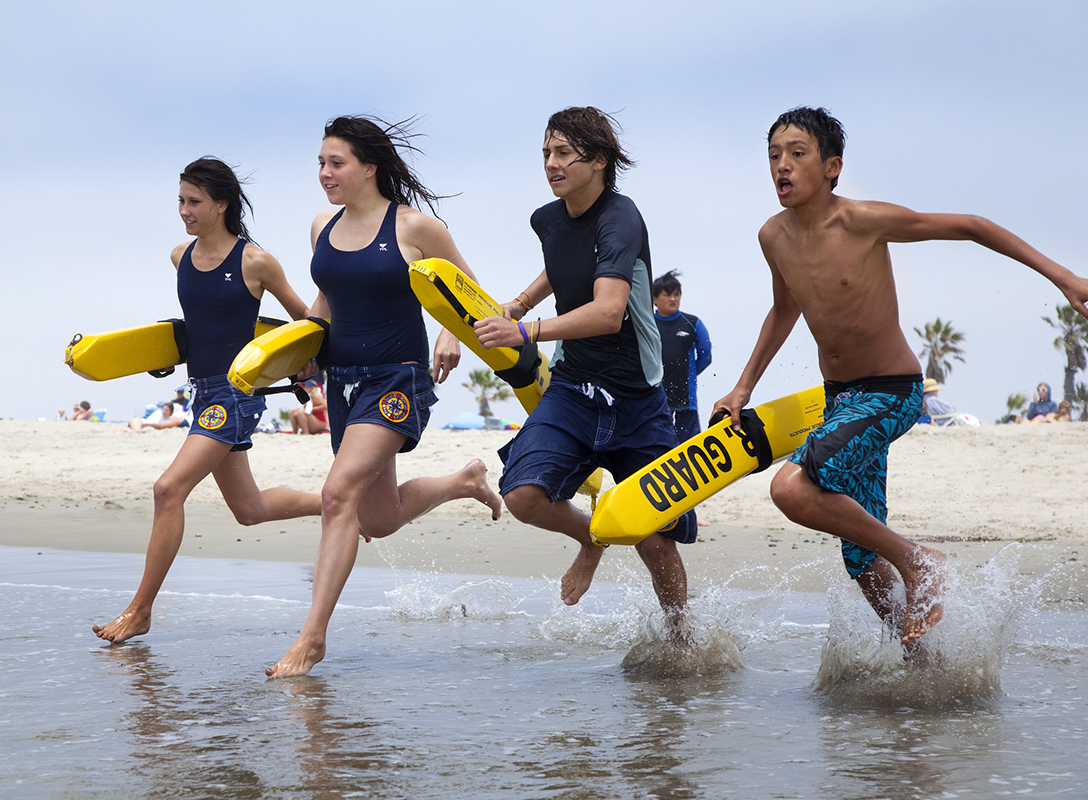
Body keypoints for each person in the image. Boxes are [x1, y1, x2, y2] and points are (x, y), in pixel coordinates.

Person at [713, 106, 1088, 645]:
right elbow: (784, 309)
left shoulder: (863, 221)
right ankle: (926, 672)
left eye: (797, 153)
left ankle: (920, 563)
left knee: (791, 490)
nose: (782, 166)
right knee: (863, 561)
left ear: (832, 167)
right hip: (840, 400)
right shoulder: (773, 236)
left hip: (891, 392)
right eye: (774, 155)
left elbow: (973, 227)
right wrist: (742, 387)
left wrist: (1063, 276)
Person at [265, 116, 502, 678]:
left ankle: (312, 639)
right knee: (380, 516)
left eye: (336, 163)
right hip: (342, 381)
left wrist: (449, 332)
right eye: (321, 163)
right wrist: (301, 349)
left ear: (369, 167)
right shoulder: (322, 227)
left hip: (396, 380)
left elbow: (471, 293)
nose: (325, 173)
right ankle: (463, 482)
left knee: (337, 494)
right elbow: (326, 300)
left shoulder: (415, 227)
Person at [474, 106, 697, 622]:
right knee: (523, 495)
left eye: (563, 153)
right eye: (546, 154)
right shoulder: (547, 219)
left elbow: (608, 312)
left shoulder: (621, 218)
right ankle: (591, 539)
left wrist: (525, 330)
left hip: (637, 397)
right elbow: (561, 263)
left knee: (654, 538)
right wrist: (520, 302)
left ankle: (681, 639)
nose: (551, 164)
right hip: (573, 387)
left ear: (598, 160)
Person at [93, 158, 322, 644]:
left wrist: (312, 361)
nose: (184, 210)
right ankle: (338, 504)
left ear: (222, 204)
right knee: (250, 509)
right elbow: (198, 327)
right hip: (202, 393)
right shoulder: (180, 257)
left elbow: (305, 321)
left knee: (167, 489)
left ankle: (140, 610)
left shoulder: (255, 262)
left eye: (194, 201)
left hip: (237, 395)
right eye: (180, 200)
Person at [652, 269, 713, 443]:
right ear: (654, 299)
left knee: (689, 444)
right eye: (667, 295)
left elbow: (705, 355)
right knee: (659, 443)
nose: (673, 299)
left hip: (686, 397)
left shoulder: (692, 323)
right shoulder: (648, 325)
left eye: (677, 294)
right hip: (655, 397)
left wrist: (689, 374)